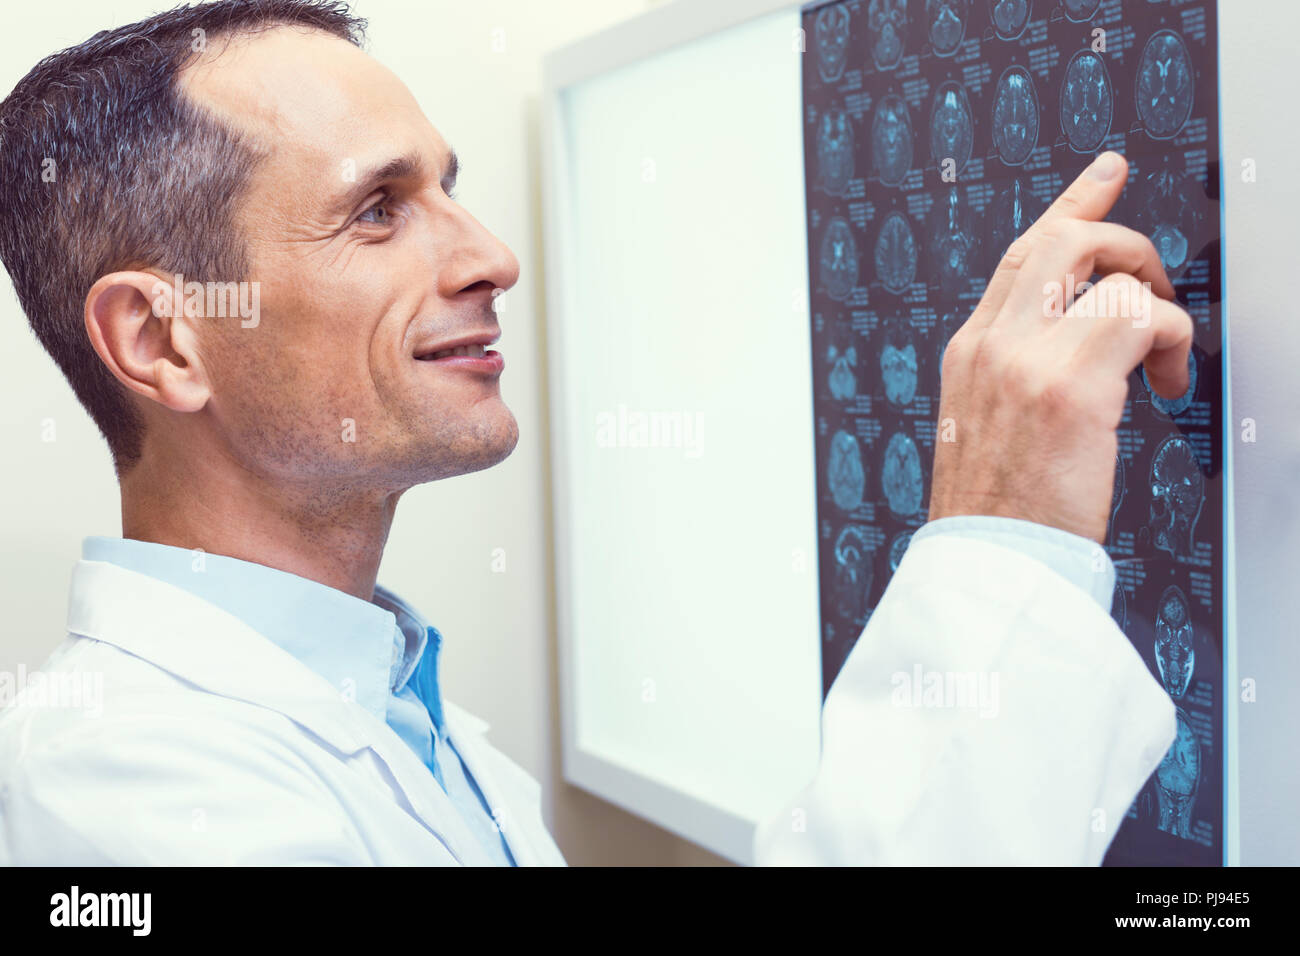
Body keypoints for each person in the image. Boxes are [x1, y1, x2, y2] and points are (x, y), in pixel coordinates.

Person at [0, 0, 1190, 865]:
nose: (489, 256)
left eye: (447, 189)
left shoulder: (388, 704)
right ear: (163, 342)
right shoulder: (117, 795)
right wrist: (1001, 536)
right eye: (376, 211)